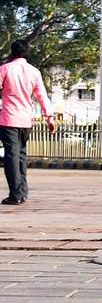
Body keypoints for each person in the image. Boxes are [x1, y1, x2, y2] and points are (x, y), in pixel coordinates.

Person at [0, 41, 57, 206]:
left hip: (9, 119)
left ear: (12, 52)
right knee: (21, 154)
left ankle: (15, 194)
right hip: (26, 121)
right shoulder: (34, 72)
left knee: (11, 155)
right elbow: (42, 96)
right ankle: (22, 192)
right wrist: (50, 118)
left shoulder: (5, 69)